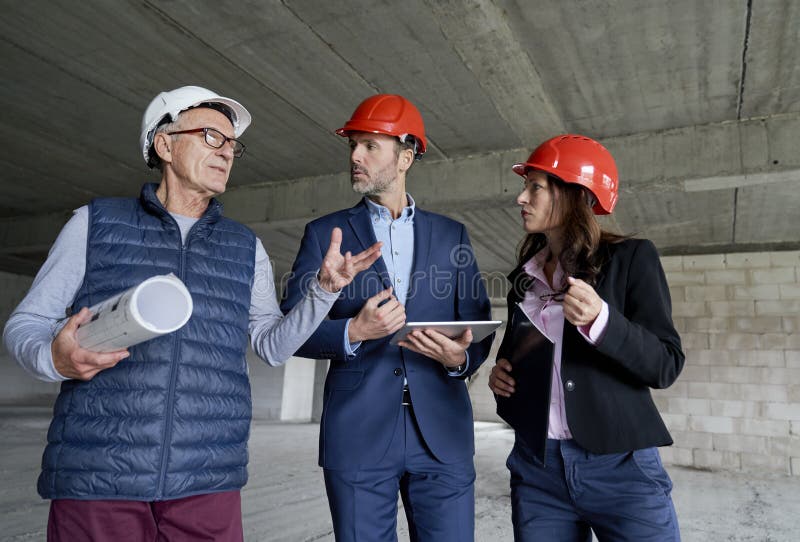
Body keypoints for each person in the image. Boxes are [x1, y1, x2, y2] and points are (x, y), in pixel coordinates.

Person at [2, 85, 381, 541]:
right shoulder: (95, 223)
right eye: (210, 136)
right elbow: (27, 323)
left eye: (232, 145)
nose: (227, 153)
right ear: (164, 144)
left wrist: (322, 292)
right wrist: (53, 360)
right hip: (98, 478)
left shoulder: (246, 248)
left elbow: (272, 347)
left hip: (207, 482)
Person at [280, 94, 494, 542]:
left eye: (370, 146)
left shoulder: (451, 234)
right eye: (353, 145)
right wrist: (353, 332)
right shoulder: (325, 234)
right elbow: (291, 330)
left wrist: (460, 359)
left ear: (406, 156)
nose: (355, 156)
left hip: (442, 433)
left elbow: (477, 327)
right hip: (357, 431)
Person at [488, 134, 685, 541]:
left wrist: (602, 320)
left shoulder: (631, 259)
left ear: (572, 194)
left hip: (621, 468)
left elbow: (666, 364)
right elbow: (520, 357)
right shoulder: (523, 280)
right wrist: (503, 377)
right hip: (537, 467)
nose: (521, 198)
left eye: (535, 187)